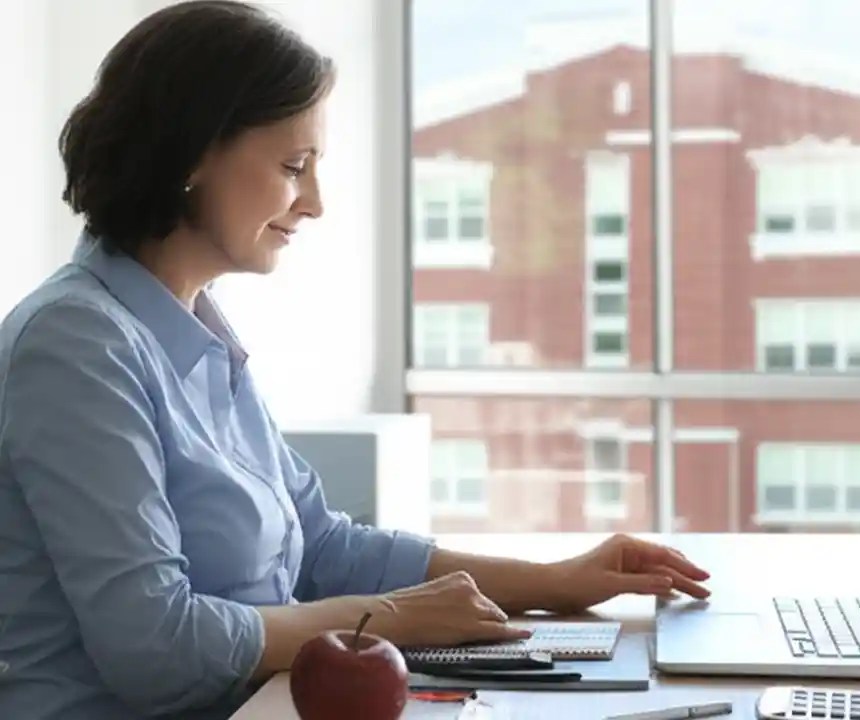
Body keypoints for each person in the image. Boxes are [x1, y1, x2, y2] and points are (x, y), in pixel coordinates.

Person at [0, 3, 710, 719]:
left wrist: (559, 580)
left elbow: (321, 546)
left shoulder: (194, 333)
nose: (314, 202)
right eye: (292, 166)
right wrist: (388, 618)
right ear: (191, 153)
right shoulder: (76, 349)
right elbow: (155, 646)